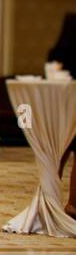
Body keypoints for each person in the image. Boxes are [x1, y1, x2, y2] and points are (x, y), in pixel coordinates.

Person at [49, 12, 76, 216]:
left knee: (59, 153)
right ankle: (71, 204)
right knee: (67, 153)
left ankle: (52, 201)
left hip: (64, 104)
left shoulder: (59, 51)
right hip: (69, 103)